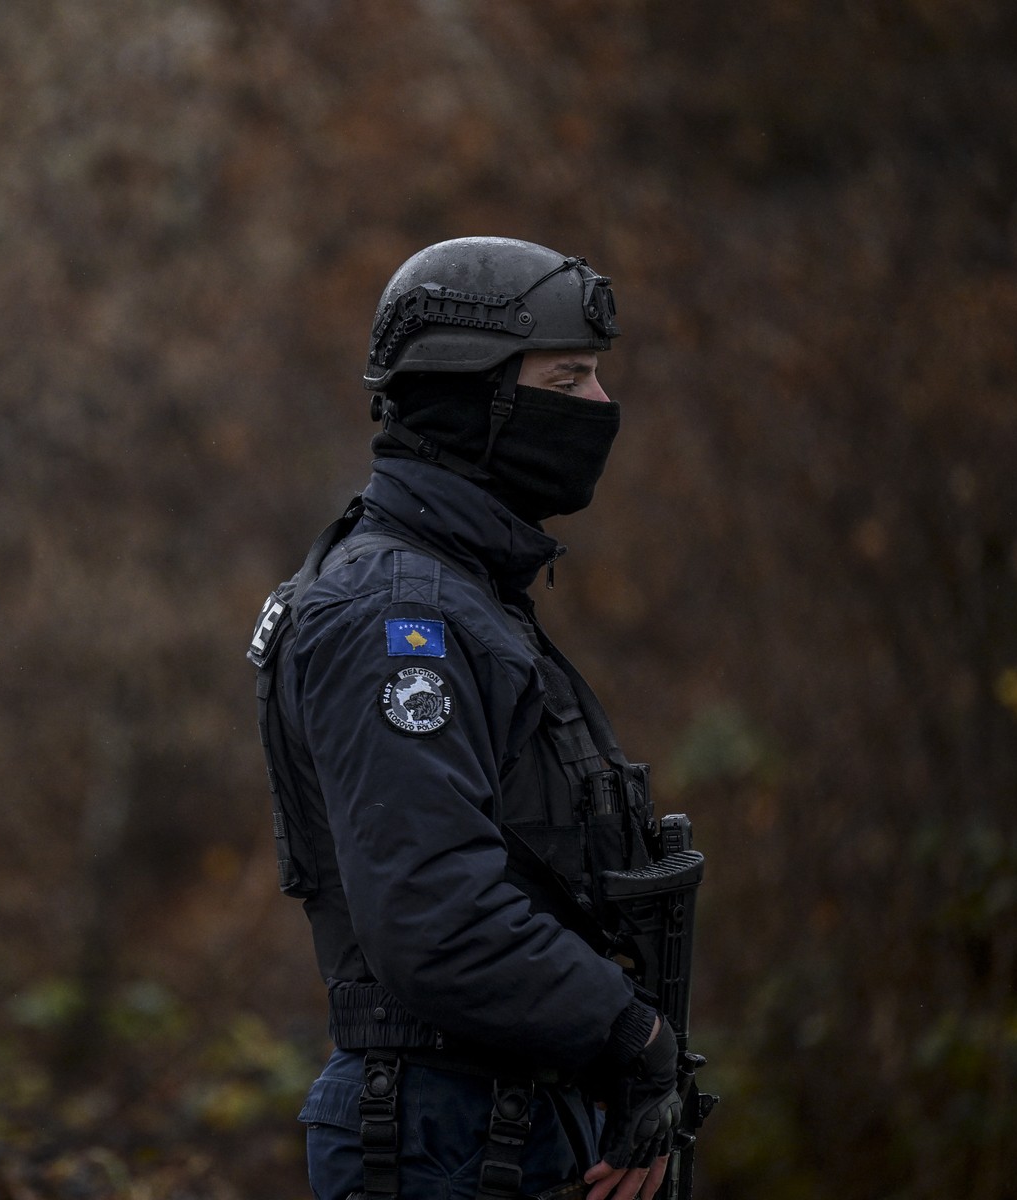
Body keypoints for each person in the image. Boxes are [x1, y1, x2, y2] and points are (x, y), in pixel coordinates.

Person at [248, 237, 690, 1200]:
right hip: (442, 1135)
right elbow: (433, 916)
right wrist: (629, 1033)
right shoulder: (396, 617)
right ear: (472, 398)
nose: (601, 405)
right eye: (567, 380)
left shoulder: (470, 597)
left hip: (499, 1121)